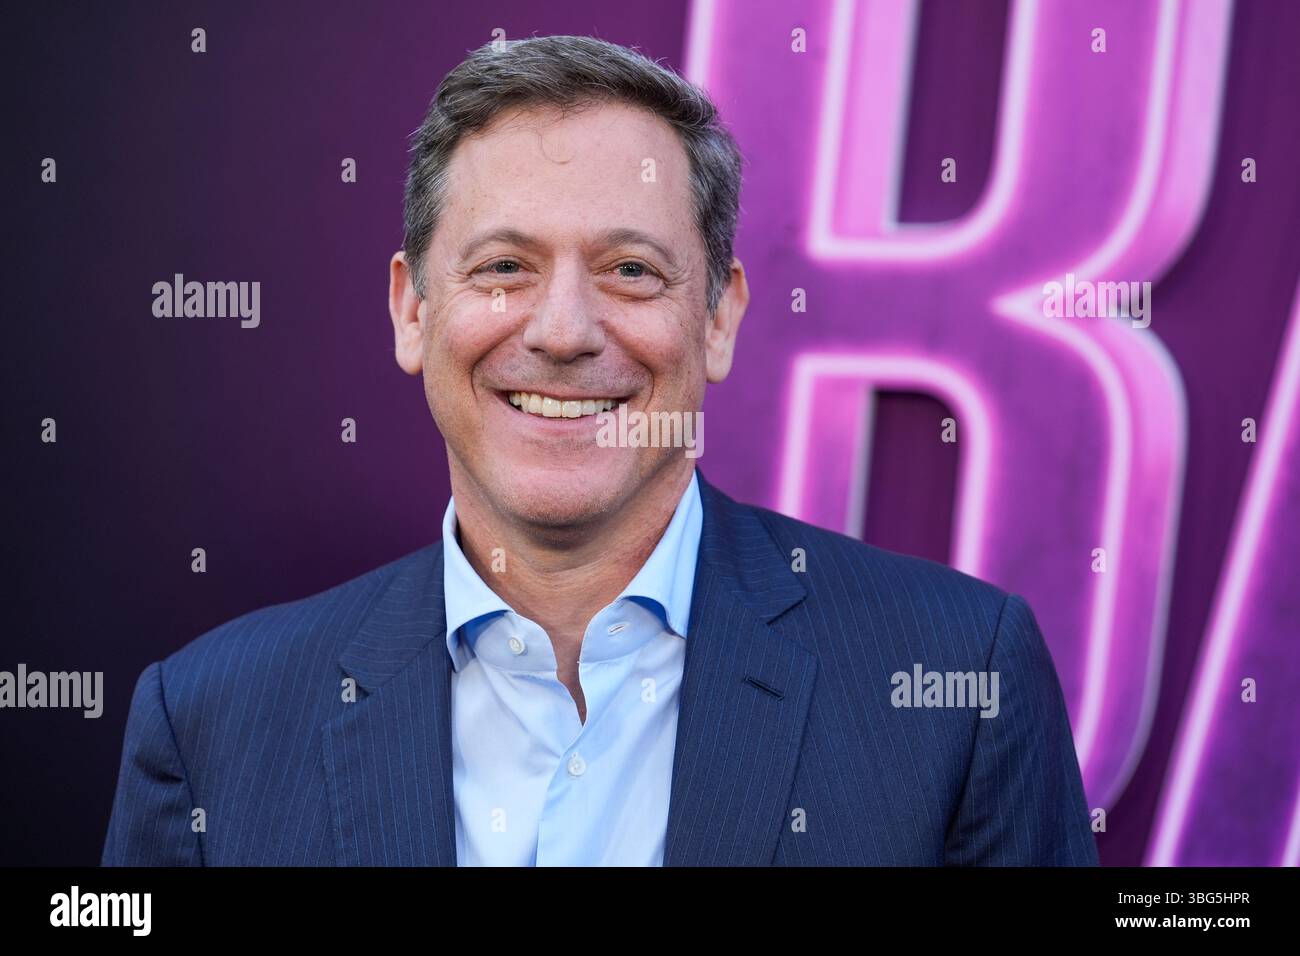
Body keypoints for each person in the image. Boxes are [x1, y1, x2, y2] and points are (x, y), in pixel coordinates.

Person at [102, 35, 1097, 866]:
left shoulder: (961, 681)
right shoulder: (208, 723)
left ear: (717, 317)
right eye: (503, 267)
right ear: (411, 310)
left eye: (629, 269)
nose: (564, 330)